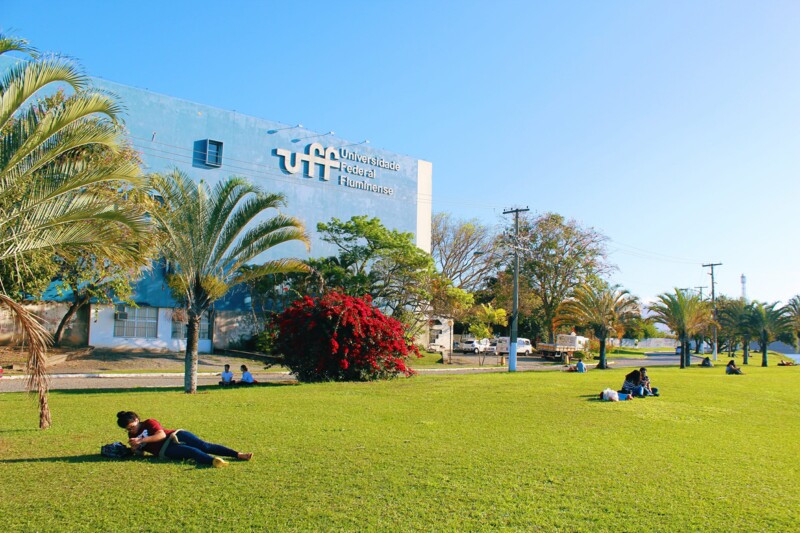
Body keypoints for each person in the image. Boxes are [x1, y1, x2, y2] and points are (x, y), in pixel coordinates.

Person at [116, 411, 252, 467]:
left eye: (132, 427)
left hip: (175, 435)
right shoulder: (132, 436)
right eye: (128, 429)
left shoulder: (149, 422)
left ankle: (238, 454)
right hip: (165, 450)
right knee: (191, 451)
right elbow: (142, 454)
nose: (131, 430)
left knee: (204, 446)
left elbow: (161, 435)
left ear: (136, 419)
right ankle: (214, 461)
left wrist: (141, 440)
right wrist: (135, 449)